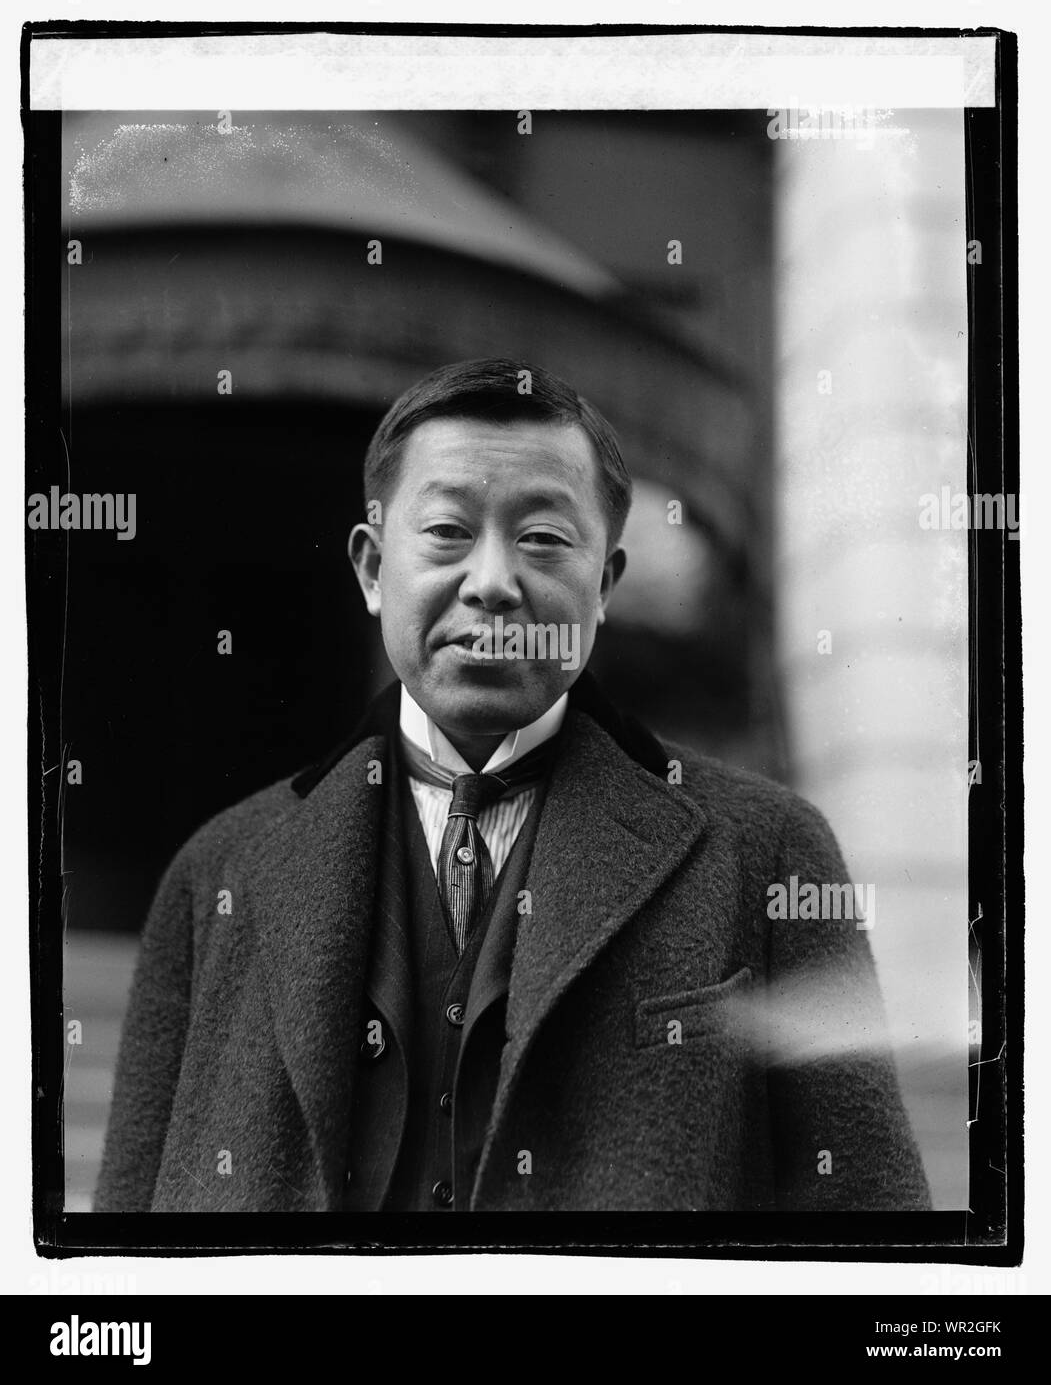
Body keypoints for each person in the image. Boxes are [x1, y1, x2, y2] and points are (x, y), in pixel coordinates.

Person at [95, 357, 930, 1213]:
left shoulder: (766, 852)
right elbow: (120, 1243)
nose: (492, 583)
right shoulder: (217, 874)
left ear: (603, 584)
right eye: (448, 531)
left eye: (541, 538)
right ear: (372, 570)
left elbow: (870, 1219)